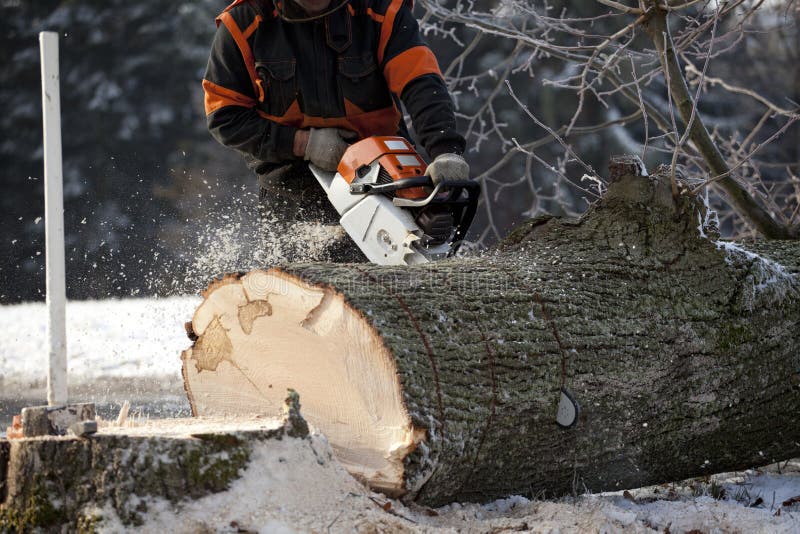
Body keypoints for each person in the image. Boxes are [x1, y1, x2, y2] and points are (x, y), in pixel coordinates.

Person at [202, 0, 469, 261]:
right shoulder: (244, 23)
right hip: (293, 180)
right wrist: (303, 143)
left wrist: (445, 149)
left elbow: (420, 81)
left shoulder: (380, 11)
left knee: (416, 251)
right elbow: (224, 116)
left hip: (381, 170)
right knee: (305, 284)